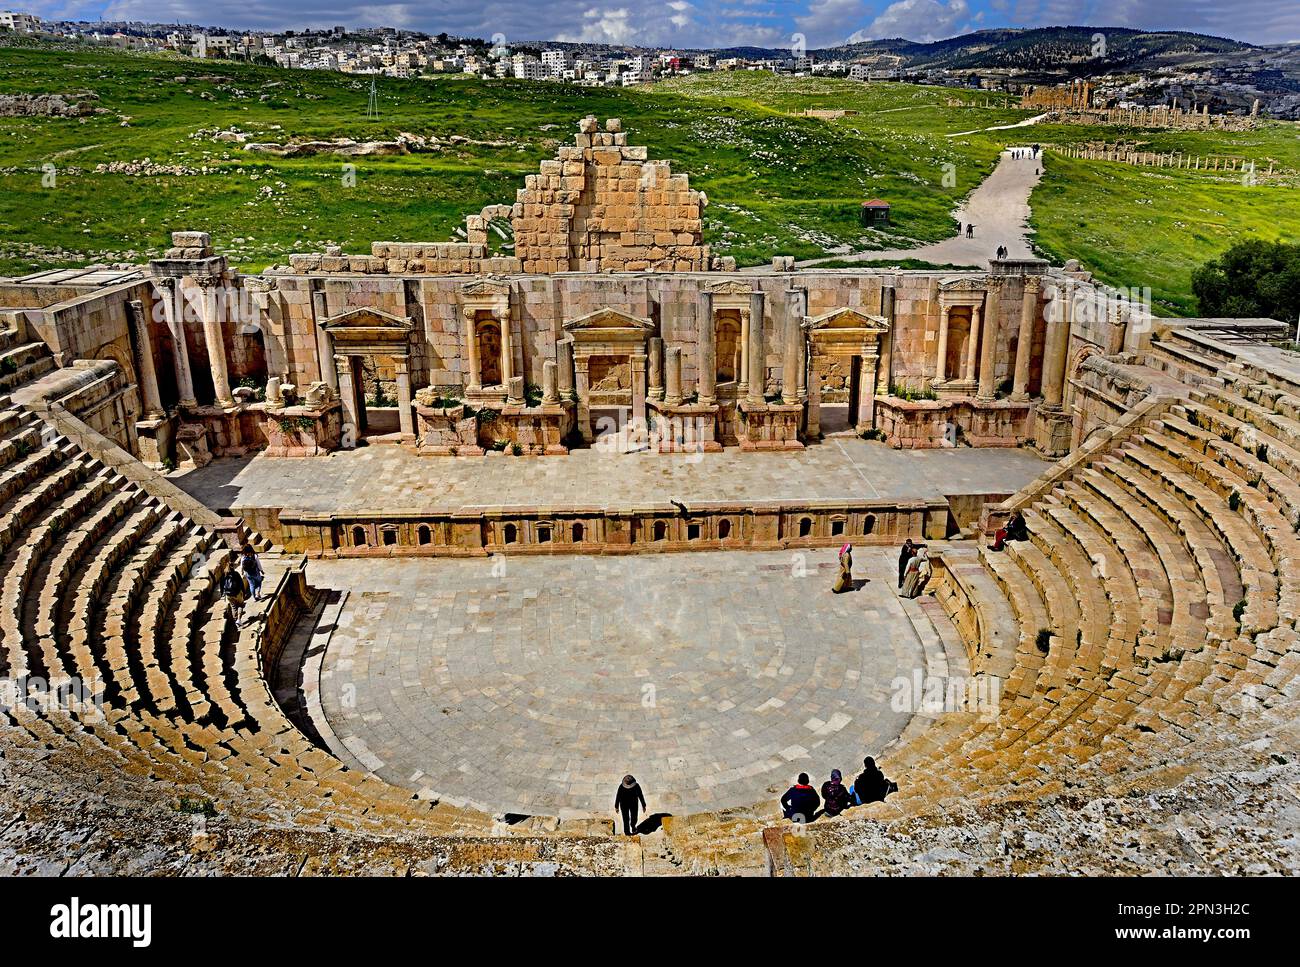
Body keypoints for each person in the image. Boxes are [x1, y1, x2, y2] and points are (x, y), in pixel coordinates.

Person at [221, 554, 249, 625]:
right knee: (241, 605)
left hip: (228, 594)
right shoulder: (236, 574)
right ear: (232, 567)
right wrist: (243, 592)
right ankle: (239, 619)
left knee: (233, 607)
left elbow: (222, 585)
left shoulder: (224, 575)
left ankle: (235, 620)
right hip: (237, 593)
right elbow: (241, 583)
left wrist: (222, 594)